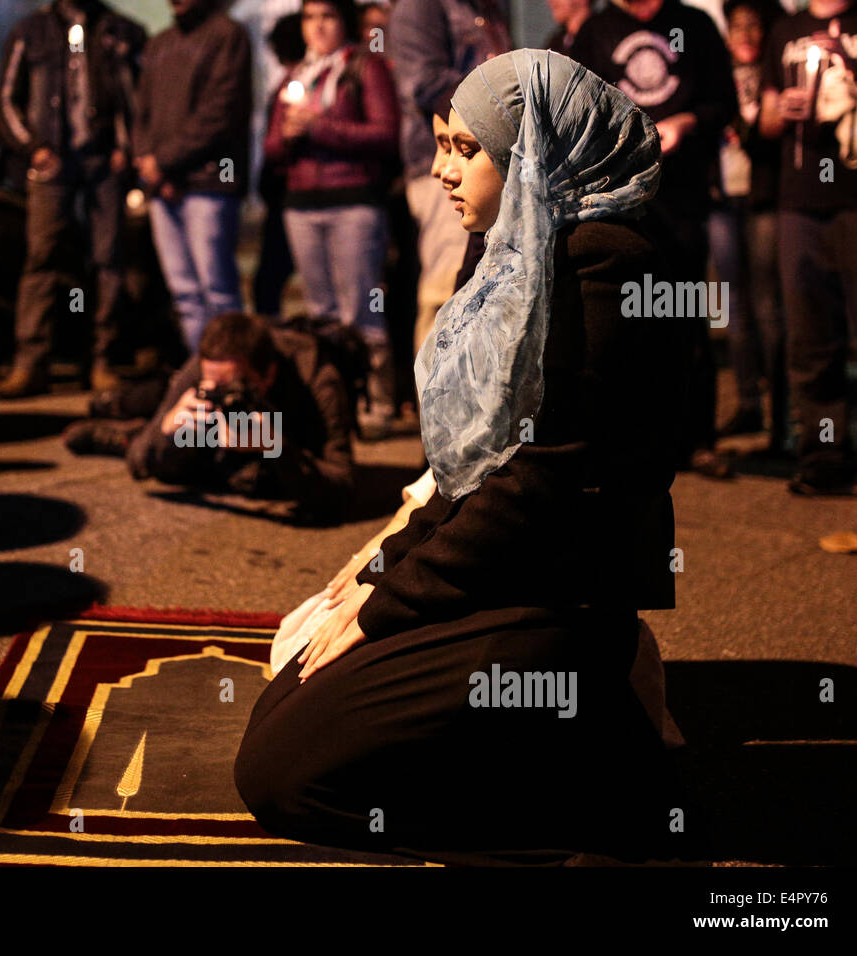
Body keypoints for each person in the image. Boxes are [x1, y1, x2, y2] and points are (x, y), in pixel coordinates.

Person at [235, 50, 692, 863]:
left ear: (531, 150)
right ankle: (579, 735)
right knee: (285, 698)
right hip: (498, 562)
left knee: (284, 777)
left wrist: (387, 602)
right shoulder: (514, 240)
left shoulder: (606, 261)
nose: (444, 170)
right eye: (442, 144)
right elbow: (469, 466)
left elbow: (534, 484)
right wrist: (381, 568)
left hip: (554, 595)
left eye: (467, 148)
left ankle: (596, 802)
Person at [569, 0, 738, 481]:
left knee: (684, 313)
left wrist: (688, 122)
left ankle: (697, 439)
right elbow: (574, 109)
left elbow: (722, 101)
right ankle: (634, 437)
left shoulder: (695, 26)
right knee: (622, 315)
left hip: (682, 196)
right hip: (616, 198)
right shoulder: (597, 31)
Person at [0, 0, 146, 399]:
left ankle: (102, 359)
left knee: (107, 258)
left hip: (102, 160)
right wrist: (33, 148)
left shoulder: (119, 29)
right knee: (42, 256)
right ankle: (32, 359)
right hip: (51, 161)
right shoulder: (30, 30)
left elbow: (134, 96)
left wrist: (124, 148)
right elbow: (7, 99)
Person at [264, 0, 401, 437]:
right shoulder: (294, 77)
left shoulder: (365, 67)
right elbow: (269, 150)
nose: (318, 27)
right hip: (302, 204)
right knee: (320, 313)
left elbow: (386, 134)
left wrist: (318, 127)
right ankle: (335, 403)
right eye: (309, 17)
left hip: (354, 200)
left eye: (327, 16)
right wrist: (285, 137)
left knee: (361, 308)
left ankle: (379, 403)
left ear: (343, 22)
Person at [759, 0, 857, 504]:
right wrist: (778, 111)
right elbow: (764, 121)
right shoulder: (786, 29)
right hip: (800, 204)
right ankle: (824, 457)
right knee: (811, 341)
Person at [126, 312, 355, 524]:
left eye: (233, 389)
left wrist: (275, 447)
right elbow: (137, 462)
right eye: (215, 388)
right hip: (217, 463)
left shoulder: (317, 378)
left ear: (269, 374)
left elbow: (342, 489)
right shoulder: (210, 366)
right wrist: (167, 433)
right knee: (135, 404)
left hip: (284, 451)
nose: (223, 396)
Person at [387, 0, 510, 354]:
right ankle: (435, 398)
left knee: (477, 281)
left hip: (487, 161)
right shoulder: (419, 7)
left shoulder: (488, 7)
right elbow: (423, 83)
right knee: (446, 291)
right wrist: (499, 91)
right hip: (444, 159)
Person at [132, 0, 252, 352]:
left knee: (218, 292)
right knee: (185, 295)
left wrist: (164, 162)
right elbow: (142, 113)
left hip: (209, 183)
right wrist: (149, 163)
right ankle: (203, 381)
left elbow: (220, 111)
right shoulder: (160, 43)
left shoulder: (228, 35)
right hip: (162, 186)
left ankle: (235, 382)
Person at [709, 0, 788, 449]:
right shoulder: (718, 73)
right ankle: (747, 403)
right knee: (733, 304)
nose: (744, 33)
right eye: (736, 26)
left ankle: (781, 415)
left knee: (767, 304)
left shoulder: (772, 71)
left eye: (752, 26)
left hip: (762, 198)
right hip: (722, 197)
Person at [253, 12, 304, 322]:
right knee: (268, 281)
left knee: (270, 279)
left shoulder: (298, 85)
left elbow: (274, 148)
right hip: (284, 195)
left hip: (293, 193)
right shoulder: (289, 85)